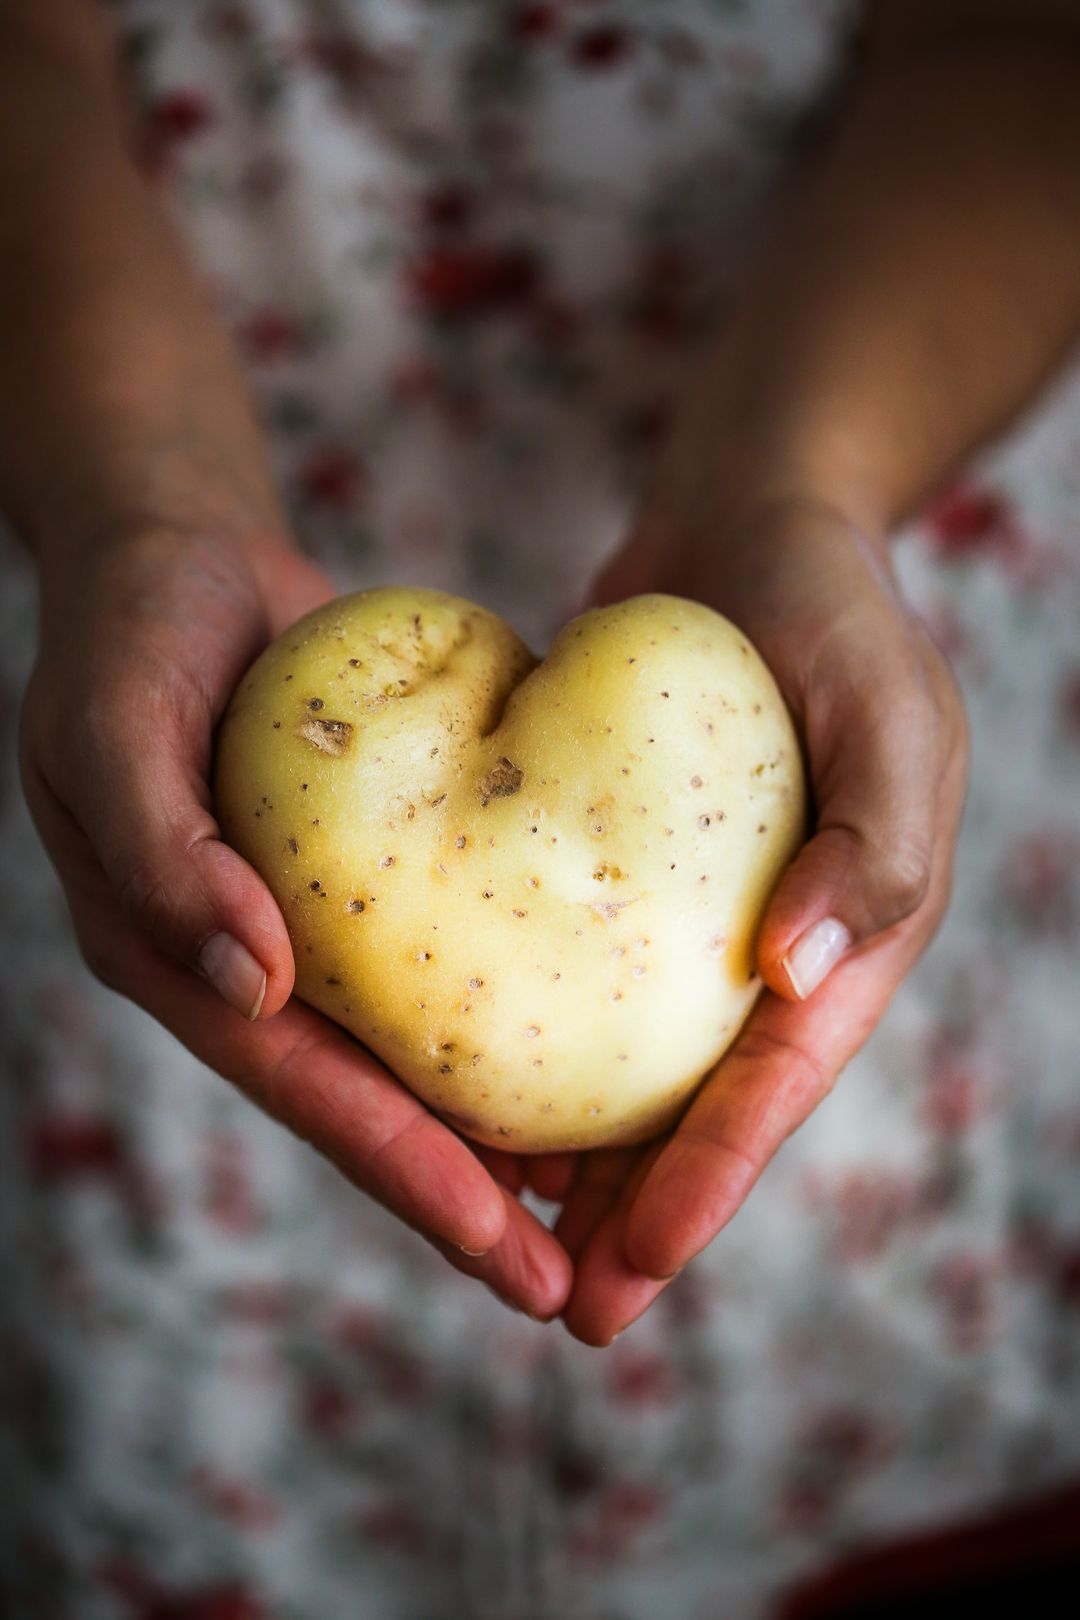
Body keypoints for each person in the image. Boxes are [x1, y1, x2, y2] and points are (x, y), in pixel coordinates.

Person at [1, 0, 1078, 1615]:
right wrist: (137, 512)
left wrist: (793, 491)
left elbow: (1020, 55)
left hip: (857, 484)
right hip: (141, 608)